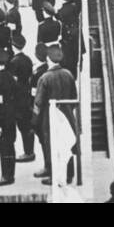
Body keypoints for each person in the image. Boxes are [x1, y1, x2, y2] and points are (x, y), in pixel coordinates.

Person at [32, 43, 77, 185]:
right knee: (67, 143)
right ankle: (69, 174)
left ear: (48, 59)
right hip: (68, 114)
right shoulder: (68, 74)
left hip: (50, 116)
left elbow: (38, 103)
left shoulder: (45, 78)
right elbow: (74, 96)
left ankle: (54, 175)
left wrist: (34, 121)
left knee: (52, 145)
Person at [0, 44, 19, 186]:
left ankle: (6, 176)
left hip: (3, 120)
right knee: (10, 146)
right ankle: (10, 174)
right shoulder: (10, 76)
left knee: (4, 148)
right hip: (11, 118)